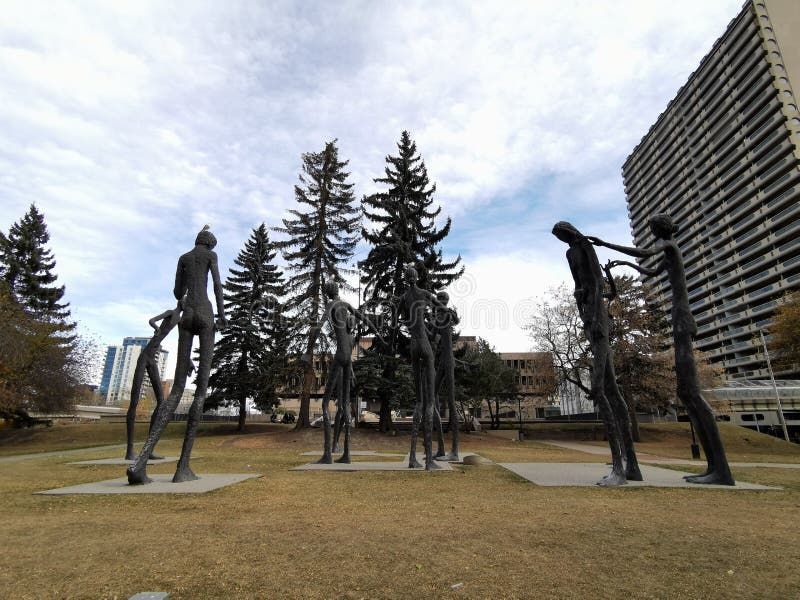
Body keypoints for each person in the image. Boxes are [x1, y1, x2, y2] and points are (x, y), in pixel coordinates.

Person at [589, 213, 734, 485]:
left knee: (691, 392)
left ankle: (721, 469)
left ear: (661, 229)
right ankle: (716, 467)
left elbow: (645, 252)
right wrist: (619, 267)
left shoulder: (669, 245)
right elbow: (651, 270)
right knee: (685, 392)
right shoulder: (669, 252)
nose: (651, 231)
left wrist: (605, 243)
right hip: (679, 318)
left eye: (653, 227)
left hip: (682, 317)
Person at [127, 226, 227, 484]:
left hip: (186, 315)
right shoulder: (209, 257)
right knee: (201, 391)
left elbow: (176, 292)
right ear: (210, 244)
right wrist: (223, 315)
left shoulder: (184, 258)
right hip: (205, 313)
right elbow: (217, 284)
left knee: (176, 391)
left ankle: (140, 464)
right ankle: (182, 467)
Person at [552, 221, 641, 485]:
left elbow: (596, 281)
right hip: (588, 313)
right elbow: (579, 281)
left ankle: (619, 468)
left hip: (596, 316)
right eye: (559, 238)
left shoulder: (585, 246)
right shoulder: (570, 253)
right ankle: (631, 465)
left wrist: (591, 309)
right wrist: (580, 300)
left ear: (570, 232)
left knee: (601, 388)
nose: (562, 241)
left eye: (563, 235)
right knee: (611, 388)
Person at [304, 281, 384, 464]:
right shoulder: (346, 305)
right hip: (349, 359)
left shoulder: (332, 305)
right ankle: (346, 453)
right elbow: (364, 319)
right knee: (345, 404)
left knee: (325, 403)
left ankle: (327, 454)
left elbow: (318, 326)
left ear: (329, 292)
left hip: (340, 355)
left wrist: (308, 351)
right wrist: (378, 334)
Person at [394, 265, 447, 470]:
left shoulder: (403, 298)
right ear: (416, 277)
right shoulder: (423, 293)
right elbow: (440, 307)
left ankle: (412, 458)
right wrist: (443, 314)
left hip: (413, 345)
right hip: (424, 345)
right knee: (430, 403)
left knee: (418, 402)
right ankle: (429, 460)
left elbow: (394, 321)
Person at [124, 302, 187, 460]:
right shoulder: (170, 313)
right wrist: (157, 329)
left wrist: (188, 361)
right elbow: (152, 320)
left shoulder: (179, 320)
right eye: (186, 301)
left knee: (161, 401)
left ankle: (148, 449)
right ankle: (129, 449)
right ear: (181, 302)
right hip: (145, 356)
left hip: (153, 359)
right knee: (135, 400)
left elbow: (182, 343)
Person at [431, 290, 460, 462]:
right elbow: (432, 336)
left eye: (441, 300)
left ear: (445, 301)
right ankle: (441, 448)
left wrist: (444, 308)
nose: (438, 303)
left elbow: (456, 319)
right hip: (441, 361)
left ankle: (454, 451)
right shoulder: (438, 319)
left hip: (449, 360)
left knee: (450, 400)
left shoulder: (449, 315)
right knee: (432, 398)